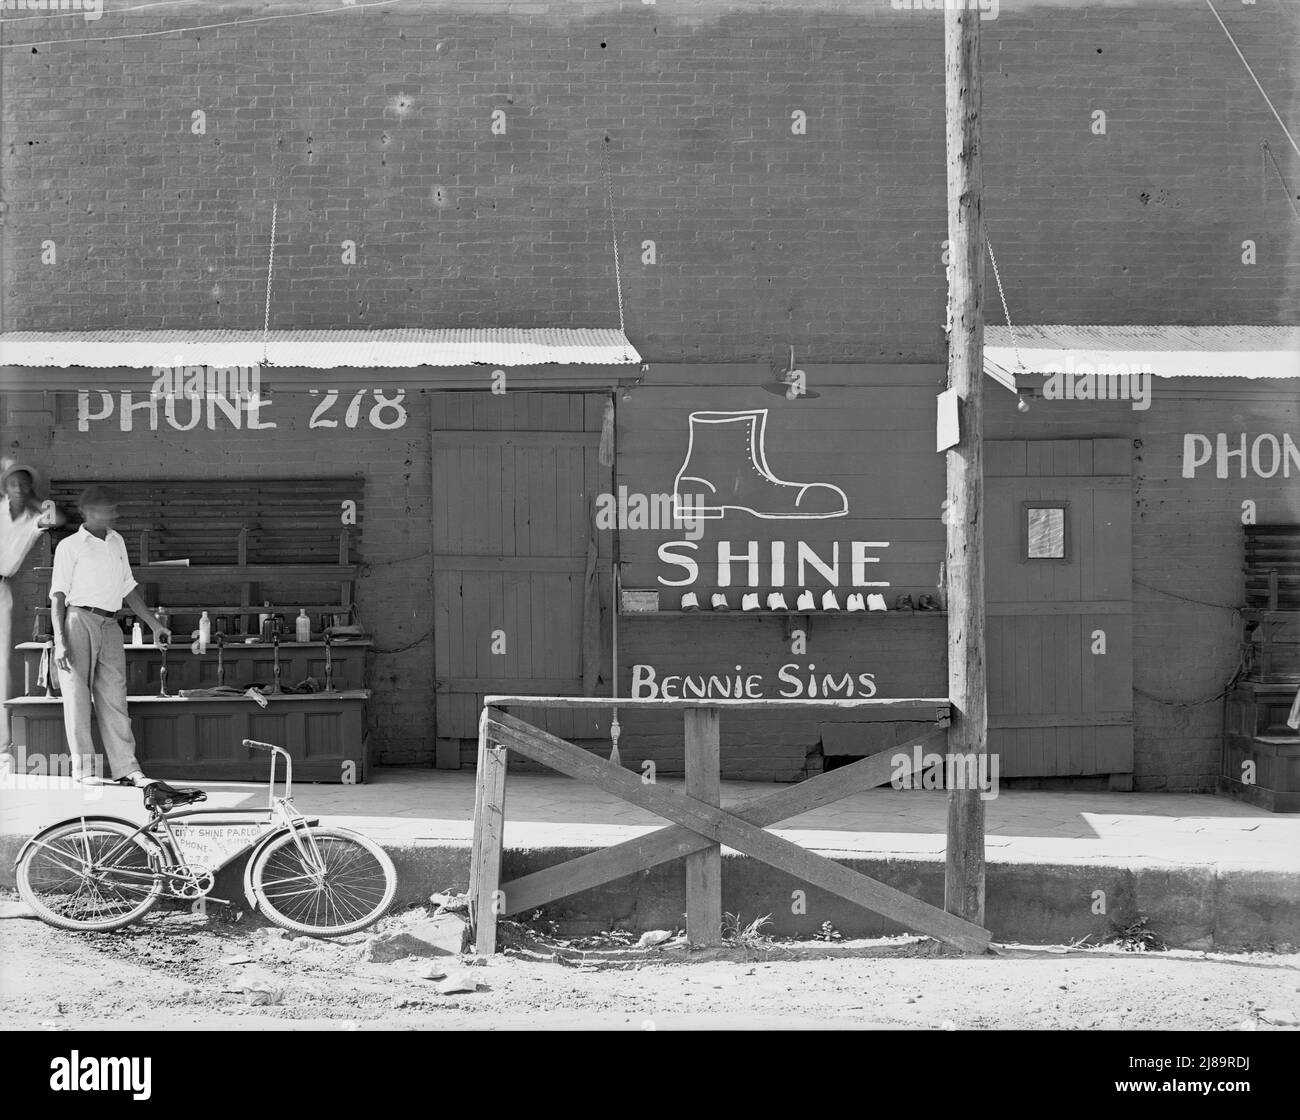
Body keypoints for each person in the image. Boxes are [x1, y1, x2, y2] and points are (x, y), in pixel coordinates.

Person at [49, 484, 174, 789]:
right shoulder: (70, 546)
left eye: (112, 510)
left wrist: (154, 625)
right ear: (87, 512)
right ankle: (84, 769)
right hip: (77, 619)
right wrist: (60, 642)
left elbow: (127, 587)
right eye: (105, 510)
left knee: (115, 697)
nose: (111, 515)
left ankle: (127, 768)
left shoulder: (117, 541)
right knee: (77, 697)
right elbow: (57, 597)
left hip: (110, 623)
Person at [0, 460, 64, 762]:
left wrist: (33, 499)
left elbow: (59, 518)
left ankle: (2, 743)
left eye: (23, 484)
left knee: (1, 666)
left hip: (2, 586)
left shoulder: (34, 517)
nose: (18, 488)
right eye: (13, 483)